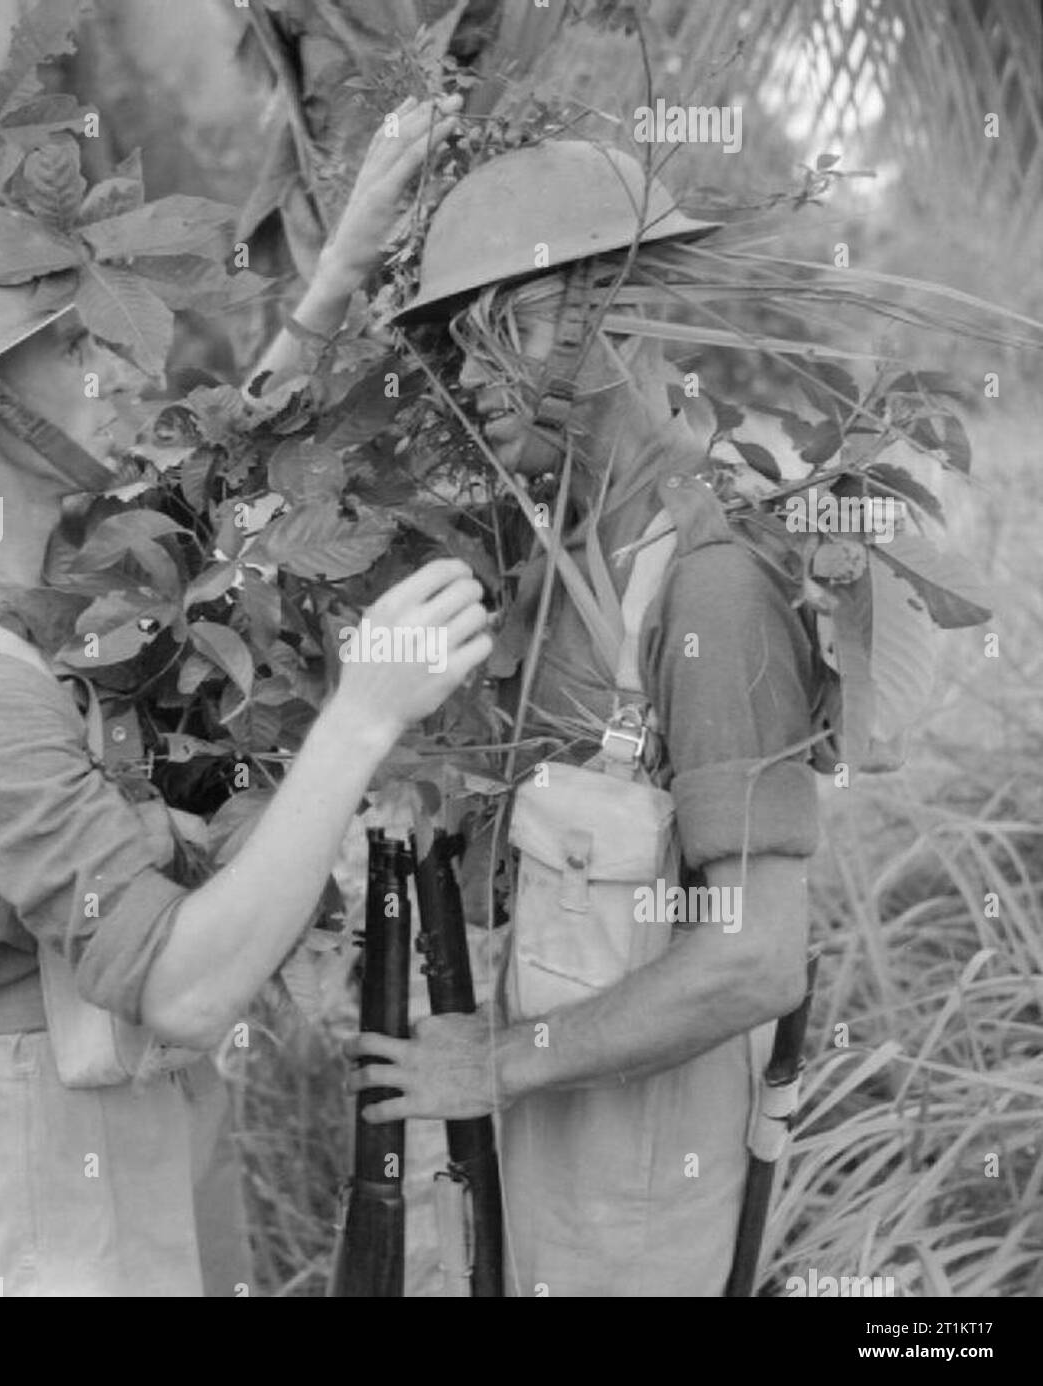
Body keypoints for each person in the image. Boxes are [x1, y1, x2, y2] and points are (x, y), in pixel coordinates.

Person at [0, 98, 482, 1296]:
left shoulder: (41, 571)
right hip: (46, 1189)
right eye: (69, 349)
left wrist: (341, 265)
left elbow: (212, 497)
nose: (109, 363)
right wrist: (364, 715)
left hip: (107, 1130)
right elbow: (182, 987)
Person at [343, 138, 819, 1295]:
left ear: (619, 314)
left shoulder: (711, 583)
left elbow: (757, 959)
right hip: (552, 1154)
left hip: (643, 1191)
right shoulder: (557, 557)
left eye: (505, 330)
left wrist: (501, 1064)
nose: (474, 380)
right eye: (459, 346)